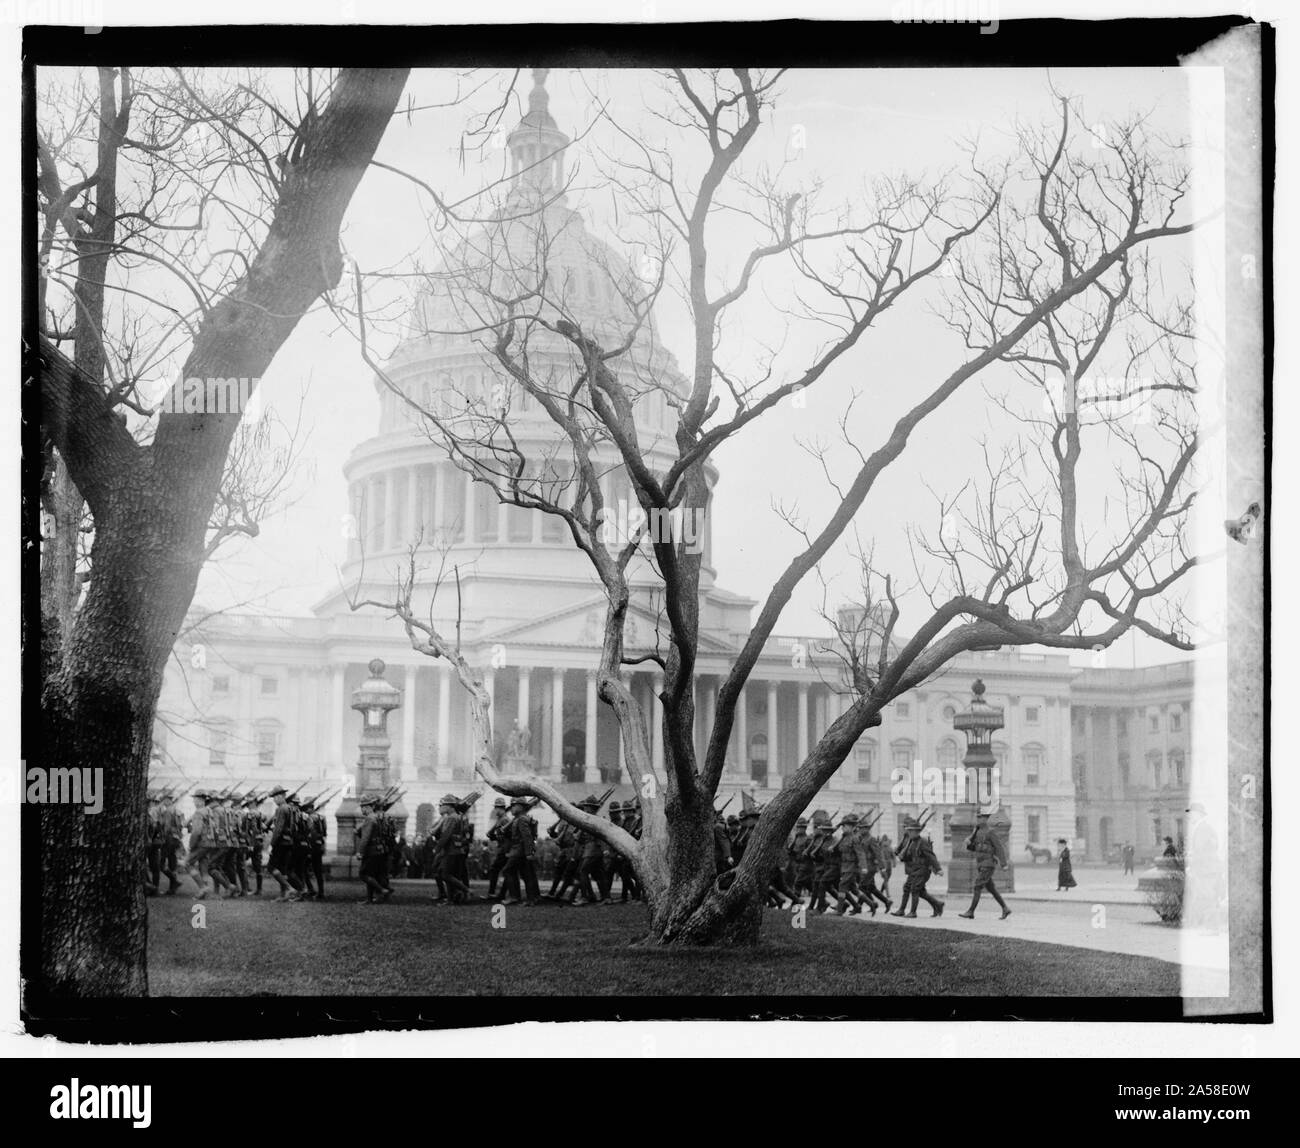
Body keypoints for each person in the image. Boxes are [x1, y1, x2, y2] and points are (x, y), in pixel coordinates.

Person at [958, 810, 1010, 920]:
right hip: (981, 864)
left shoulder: (990, 832)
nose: (978, 819)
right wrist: (968, 844)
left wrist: (1004, 863)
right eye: (977, 817)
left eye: (980, 817)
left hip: (988, 864)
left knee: (977, 886)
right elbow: (976, 848)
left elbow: (999, 848)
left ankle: (971, 911)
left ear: (986, 819)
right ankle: (1005, 909)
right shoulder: (977, 832)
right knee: (991, 888)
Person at [891, 814, 944, 918]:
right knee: (908, 888)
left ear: (916, 832)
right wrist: (902, 857)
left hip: (922, 870)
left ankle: (913, 912)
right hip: (914, 870)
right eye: (908, 830)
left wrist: (938, 869)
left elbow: (931, 856)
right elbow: (909, 857)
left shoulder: (922, 842)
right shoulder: (912, 842)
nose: (908, 832)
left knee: (915, 889)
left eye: (910, 831)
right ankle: (937, 904)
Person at [501, 797, 541, 905]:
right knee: (526, 874)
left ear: (520, 807)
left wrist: (529, 853)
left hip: (519, 850)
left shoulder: (522, 819)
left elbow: (527, 837)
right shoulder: (520, 818)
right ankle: (531, 898)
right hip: (520, 850)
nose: (512, 809)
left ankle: (515, 896)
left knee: (508, 870)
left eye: (514, 806)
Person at [266, 786, 303, 901]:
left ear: (280, 796)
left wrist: (272, 843)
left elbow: (279, 828)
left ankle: (289, 889)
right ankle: (284, 895)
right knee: (282, 870)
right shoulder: (291, 808)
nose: (274, 800)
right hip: (289, 842)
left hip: (281, 842)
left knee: (271, 867)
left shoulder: (281, 809)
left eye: (275, 798)